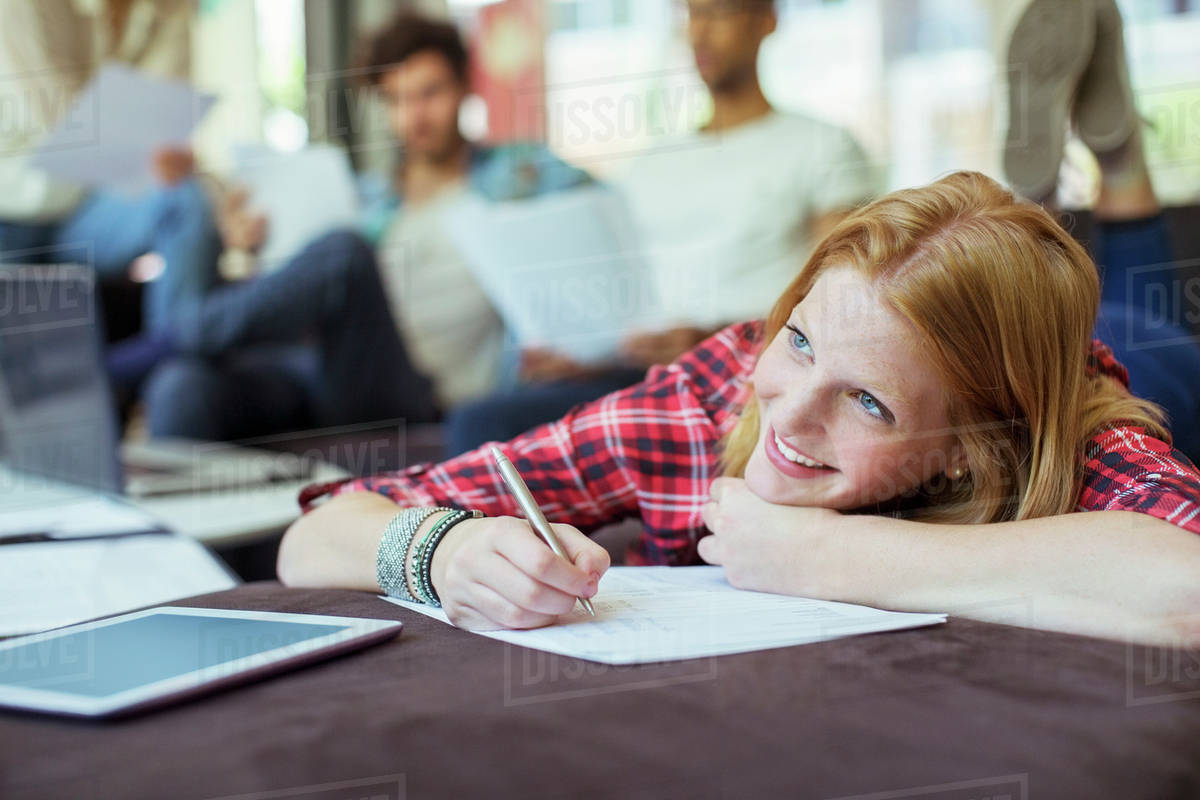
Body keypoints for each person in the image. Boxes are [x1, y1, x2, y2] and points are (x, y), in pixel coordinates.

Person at [278, 170, 1200, 646]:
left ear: (966, 451)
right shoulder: (712, 396)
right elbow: (310, 538)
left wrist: (831, 555)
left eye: (868, 402)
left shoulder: (1071, 434)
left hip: (1130, 359)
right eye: (797, 339)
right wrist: (449, 551)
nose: (789, 416)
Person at [443, 0, 880, 455]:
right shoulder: (649, 165)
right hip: (635, 373)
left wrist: (711, 340)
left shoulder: (821, 146)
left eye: (719, 14)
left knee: (486, 424)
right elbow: (625, 287)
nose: (699, 33)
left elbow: (839, 306)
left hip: (736, 371)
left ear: (765, 21)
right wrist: (583, 355)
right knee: (486, 420)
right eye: (691, 15)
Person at [133, 11, 590, 440]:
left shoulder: (516, 176)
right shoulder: (369, 200)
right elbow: (297, 295)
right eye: (396, 99)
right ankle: (173, 345)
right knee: (184, 384)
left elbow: (596, 214)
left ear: (465, 87)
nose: (414, 116)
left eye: (429, 93)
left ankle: (166, 337)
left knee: (345, 251)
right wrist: (248, 247)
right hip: (326, 369)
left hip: (411, 394)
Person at [1002, 0, 1200, 461]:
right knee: (1141, 344)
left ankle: (1098, 167)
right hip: (1098, 369)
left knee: (1137, 337)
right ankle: (1054, 189)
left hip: (1070, 368)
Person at [0, 0, 220, 334]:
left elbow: (164, 131)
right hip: (10, 216)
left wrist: (219, 193)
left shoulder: (170, 8)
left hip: (84, 211)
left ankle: (175, 362)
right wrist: (148, 150)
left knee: (185, 199)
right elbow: (62, 121)